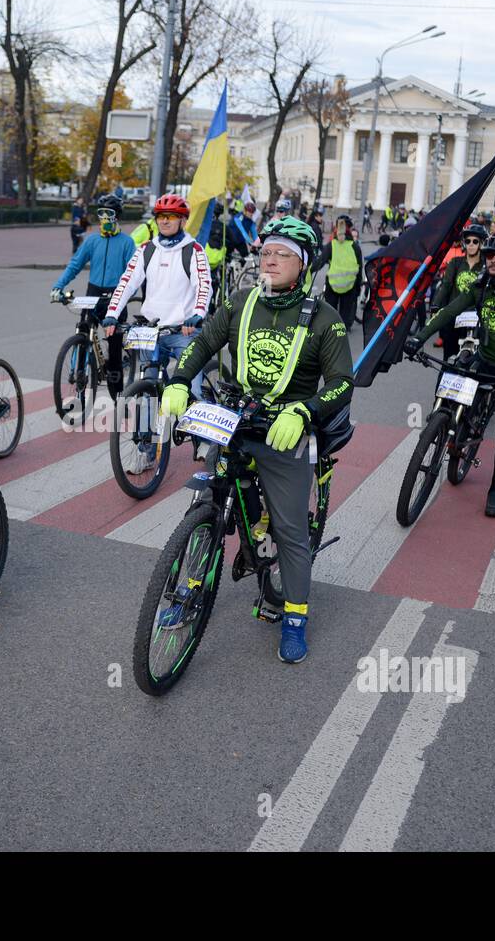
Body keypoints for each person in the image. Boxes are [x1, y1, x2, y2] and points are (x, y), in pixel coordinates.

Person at [160, 216, 353, 664]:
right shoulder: (242, 300)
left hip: (288, 430)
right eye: (266, 251)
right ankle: (188, 590)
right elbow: (204, 342)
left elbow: (343, 381)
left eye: (281, 254)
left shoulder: (326, 319)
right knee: (206, 503)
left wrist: (305, 410)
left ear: (304, 264)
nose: (269, 259)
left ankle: (295, 619)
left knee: (289, 531)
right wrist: (179, 379)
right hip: (234, 418)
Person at [405, 230, 495, 519]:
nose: (494, 260)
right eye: (490, 255)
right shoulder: (480, 286)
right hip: (484, 361)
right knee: (453, 380)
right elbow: (448, 311)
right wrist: (418, 338)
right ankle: (454, 428)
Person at [101, 193, 212, 470]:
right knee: (146, 393)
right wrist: (112, 313)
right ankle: (146, 452)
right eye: (161, 216)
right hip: (151, 331)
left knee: (192, 387)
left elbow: (204, 286)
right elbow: (126, 282)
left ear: (182, 220)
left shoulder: (194, 250)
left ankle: (203, 439)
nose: (165, 221)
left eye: (171, 217)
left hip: (183, 331)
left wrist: (197, 314)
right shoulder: (146, 249)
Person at [50, 192, 137, 399]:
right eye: (101, 214)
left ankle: (118, 399)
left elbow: (133, 274)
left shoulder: (127, 243)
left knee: (114, 349)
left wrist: (124, 295)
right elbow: (75, 265)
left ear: (117, 216)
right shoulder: (92, 240)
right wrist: (58, 286)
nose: (104, 218)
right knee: (83, 330)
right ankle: (80, 378)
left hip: (116, 296)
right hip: (93, 292)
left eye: (109, 213)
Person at [429, 223, 488, 358]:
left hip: (476, 319)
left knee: (472, 360)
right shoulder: (455, 263)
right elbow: (446, 286)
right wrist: (435, 305)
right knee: (449, 357)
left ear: (481, 243)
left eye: (475, 241)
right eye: (468, 241)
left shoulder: (486, 265)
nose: (471, 244)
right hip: (454, 315)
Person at [313, 213, 363, 328]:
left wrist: (307, 271)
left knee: (330, 312)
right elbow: (359, 268)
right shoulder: (354, 246)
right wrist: (358, 287)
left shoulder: (332, 245)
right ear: (349, 229)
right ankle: (343, 331)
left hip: (332, 284)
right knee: (345, 314)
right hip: (350, 285)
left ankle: (330, 332)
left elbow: (319, 262)